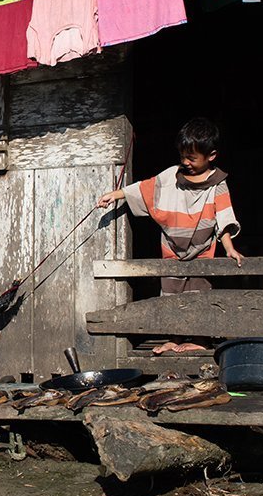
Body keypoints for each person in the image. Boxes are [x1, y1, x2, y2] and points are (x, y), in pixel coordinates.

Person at [97, 116, 242, 353]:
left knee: (198, 296)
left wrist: (229, 248)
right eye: (183, 156)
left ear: (211, 156)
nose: (186, 162)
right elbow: (145, 188)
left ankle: (199, 340)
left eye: (192, 158)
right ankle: (174, 338)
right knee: (171, 296)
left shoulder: (218, 184)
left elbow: (224, 218)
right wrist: (116, 194)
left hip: (203, 251)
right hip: (172, 249)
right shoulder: (171, 176)